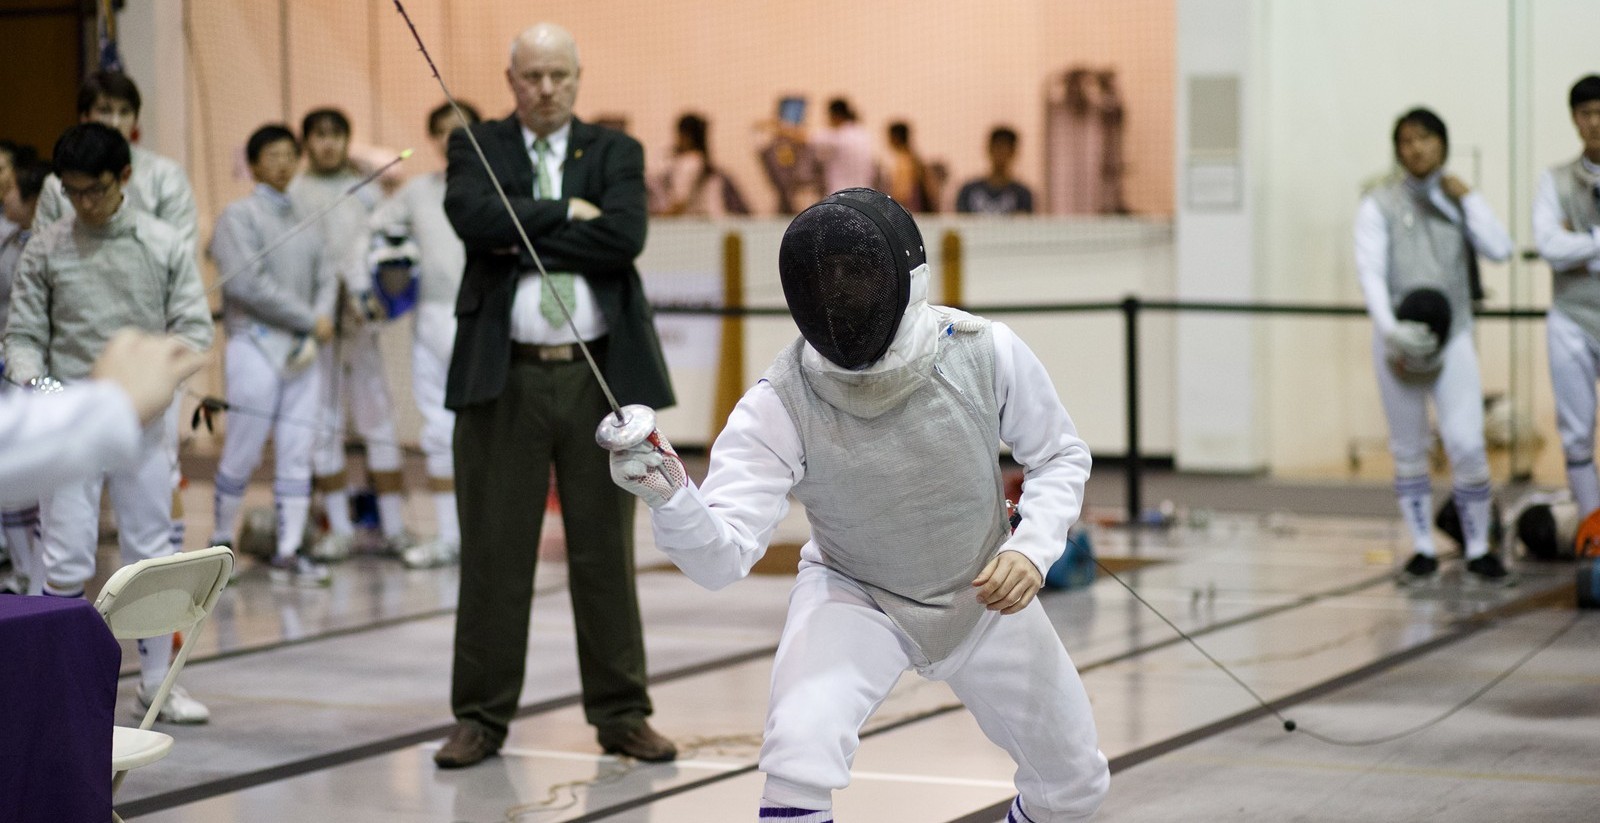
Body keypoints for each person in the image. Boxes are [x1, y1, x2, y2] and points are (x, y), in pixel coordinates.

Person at [605, 188, 1109, 822]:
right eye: (822, 277)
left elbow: (1059, 454)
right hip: (856, 592)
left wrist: (1033, 549)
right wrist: (672, 496)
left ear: (905, 275)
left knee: (1074, 786)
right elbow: (721, 559)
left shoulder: (983, 351)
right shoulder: (780, 402)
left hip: (984, 590)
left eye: (855, 270)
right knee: (798, 754)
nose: (838, 293)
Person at [431, 21, 677, 769]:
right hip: (502, 377)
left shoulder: (615, 151)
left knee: (605, 553)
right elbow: (472, 219)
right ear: (511, 80)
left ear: (577, 77)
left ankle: (622, 713)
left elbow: (624, 237)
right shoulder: (476, 146)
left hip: (595, 378)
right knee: (493, 554)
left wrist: (515, 230)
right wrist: (570, 213)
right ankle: (479, 717)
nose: (545, 89)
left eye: (558, 76)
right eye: (532, 76)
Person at [4, 123, 214, 722]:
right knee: (65, 556)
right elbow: (22, 338)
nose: (84, 203)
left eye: (94, 190)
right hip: (66, 418)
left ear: (123, 177)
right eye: (72, 192)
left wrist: (155, 384)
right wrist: (51, 394)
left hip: (143, 421)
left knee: (148, 550)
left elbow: (194, 331)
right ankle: (55, 691)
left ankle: (157, 685)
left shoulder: (161, 243)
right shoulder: (47, 247)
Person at [1354, 108, 1514, 585]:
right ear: (1397, 150)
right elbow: (1370, 272)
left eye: (1424, 139)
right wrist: (1390, 330)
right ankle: (1422, 548)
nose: (1416, 149)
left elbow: (1501, 249)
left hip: (1454, 334)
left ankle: (1480, 548)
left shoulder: (1456, 199)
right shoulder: (1378, 203)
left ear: (1442, 144)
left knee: (1466, 443)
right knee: (1408, 447)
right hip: (1397, 342)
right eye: (1406, 141)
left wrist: (1471, 200)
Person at [207, 124, 338, 587]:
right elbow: (247, 283)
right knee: (243, 448)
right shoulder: (238, 216)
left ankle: (289, 550)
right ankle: (220, 544)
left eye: (288, 155)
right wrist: (308, 319)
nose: (282, 164)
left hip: (302, 351)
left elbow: (328, 275)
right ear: (254, 164)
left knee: (298, 450)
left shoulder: (308, 216)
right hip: (254, 344)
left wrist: (320, 321)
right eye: (272, 156)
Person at [288, 108, 415, 561]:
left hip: (362, 324)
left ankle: (394, 527)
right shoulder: (295, 192)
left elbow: (386, 250)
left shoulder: (367, 190)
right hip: (316, 326)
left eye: (335, 135)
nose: (327, 144)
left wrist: (372, 298)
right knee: (323, 423)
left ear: (347, 140)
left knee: (378, 419)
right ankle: (339, 528)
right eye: (318, 135)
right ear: (306, 142)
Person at [364, 100, 482, 568]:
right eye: (443, 131)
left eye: (461, 128)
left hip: (486, 319)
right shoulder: (416, 192)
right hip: (432, 317)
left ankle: (489, 538)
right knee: (437, 429)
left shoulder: (501, 186)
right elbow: (376, 227)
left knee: (492, 430)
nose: (452, 138)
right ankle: (450, 537)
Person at [2, 330, 206, 506]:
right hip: (77, 400)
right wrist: (109, 404)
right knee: (68, 529)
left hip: (126, 409)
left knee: (150, 519)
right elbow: (22, 336)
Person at [35, 71, 197, 252]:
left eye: (125, 112)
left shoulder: (166, 176)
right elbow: (41, 254)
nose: (115, 122)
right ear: (84, 117)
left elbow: (181, 252)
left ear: (135, 120)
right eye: (105, 111)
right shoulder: (56, 186)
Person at [1535, 75, 1600, 522]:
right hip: (1571, 320)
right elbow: (1549, 246)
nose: (1595, 122)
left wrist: (1579, 245)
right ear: (1575, 119)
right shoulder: (1554, 180)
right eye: (1586, 113)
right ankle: (1593, 532)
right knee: (1576, 434)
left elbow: (1565, 248)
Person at [0, 158, 50, 594]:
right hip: (11, 374)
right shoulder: (9, 240)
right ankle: (22, 577)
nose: (5, 195)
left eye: (11, 187)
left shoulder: (51, 247)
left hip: (44, 382)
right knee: (11, 478)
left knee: (44, 485)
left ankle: (40, 582)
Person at [652, 112, 725, 217]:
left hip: (698, 220)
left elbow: (680, 205)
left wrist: (658, 217)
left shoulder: (690, 163)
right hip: (712, 218)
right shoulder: (702, 161)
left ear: (685, 136)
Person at [956, 127, 1035, 215]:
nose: (1001, 154)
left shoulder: (1022, 194)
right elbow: (961, 219)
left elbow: (1026, 221)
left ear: (1013, 153)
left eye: (1006, 149)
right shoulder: (969, 190)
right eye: (998, 147)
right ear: (989, 149)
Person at [810, 98, 876, 196]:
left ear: (835, 116)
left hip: (841, 194)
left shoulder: (839, 135)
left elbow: (806, 139)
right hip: (863, 194)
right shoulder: (863, 134)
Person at [883, 121, 936, 212]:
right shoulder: (914, 158)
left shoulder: (904, 161)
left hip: (910, 211)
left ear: (895, 138)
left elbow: (902, 193)